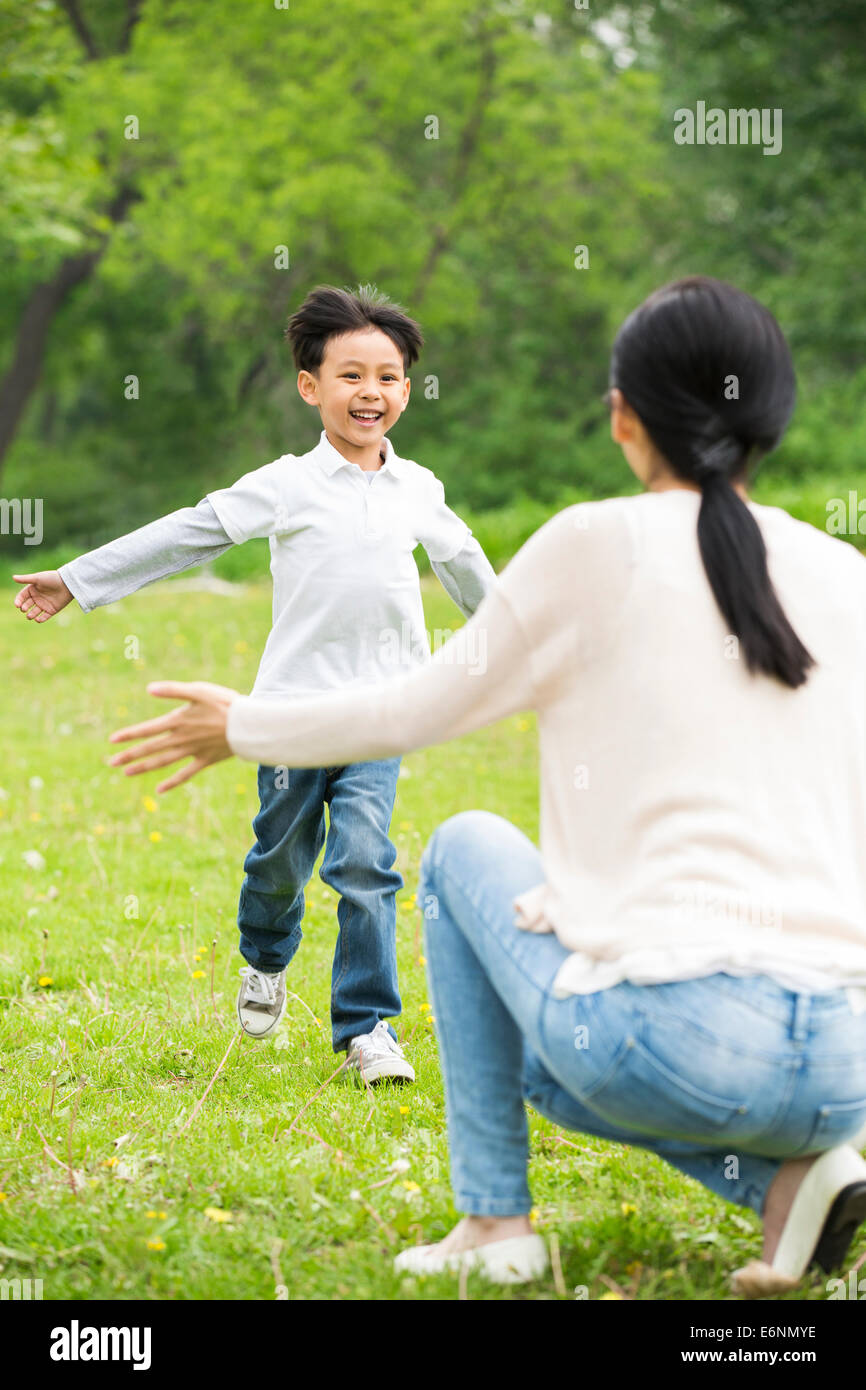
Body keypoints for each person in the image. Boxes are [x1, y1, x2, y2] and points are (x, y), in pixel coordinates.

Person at [107, 277, 866, 1296]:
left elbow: (407, 710)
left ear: (621, 418)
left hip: (672, 1050)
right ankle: (801, 1180)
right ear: (773, 416)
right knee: (579, 1006)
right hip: (845, 1064)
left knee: (468, 855)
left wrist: (240, 724)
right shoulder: (841, 571)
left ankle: (494, 1221)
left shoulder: (589, 544)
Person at [12, 284, 496, 1085]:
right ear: (311, 387)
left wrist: (536, 645)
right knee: (278, 860)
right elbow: (188, 534)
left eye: (387, 376)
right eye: (350, 376)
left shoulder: (421, 491)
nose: (370, 392)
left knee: (368, 864)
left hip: (381, 713)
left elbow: (472, 572)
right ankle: (265, 958)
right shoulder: (286, 484)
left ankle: (366, 1029)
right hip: (287, 716)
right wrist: (76, 578)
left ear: (407, 389)